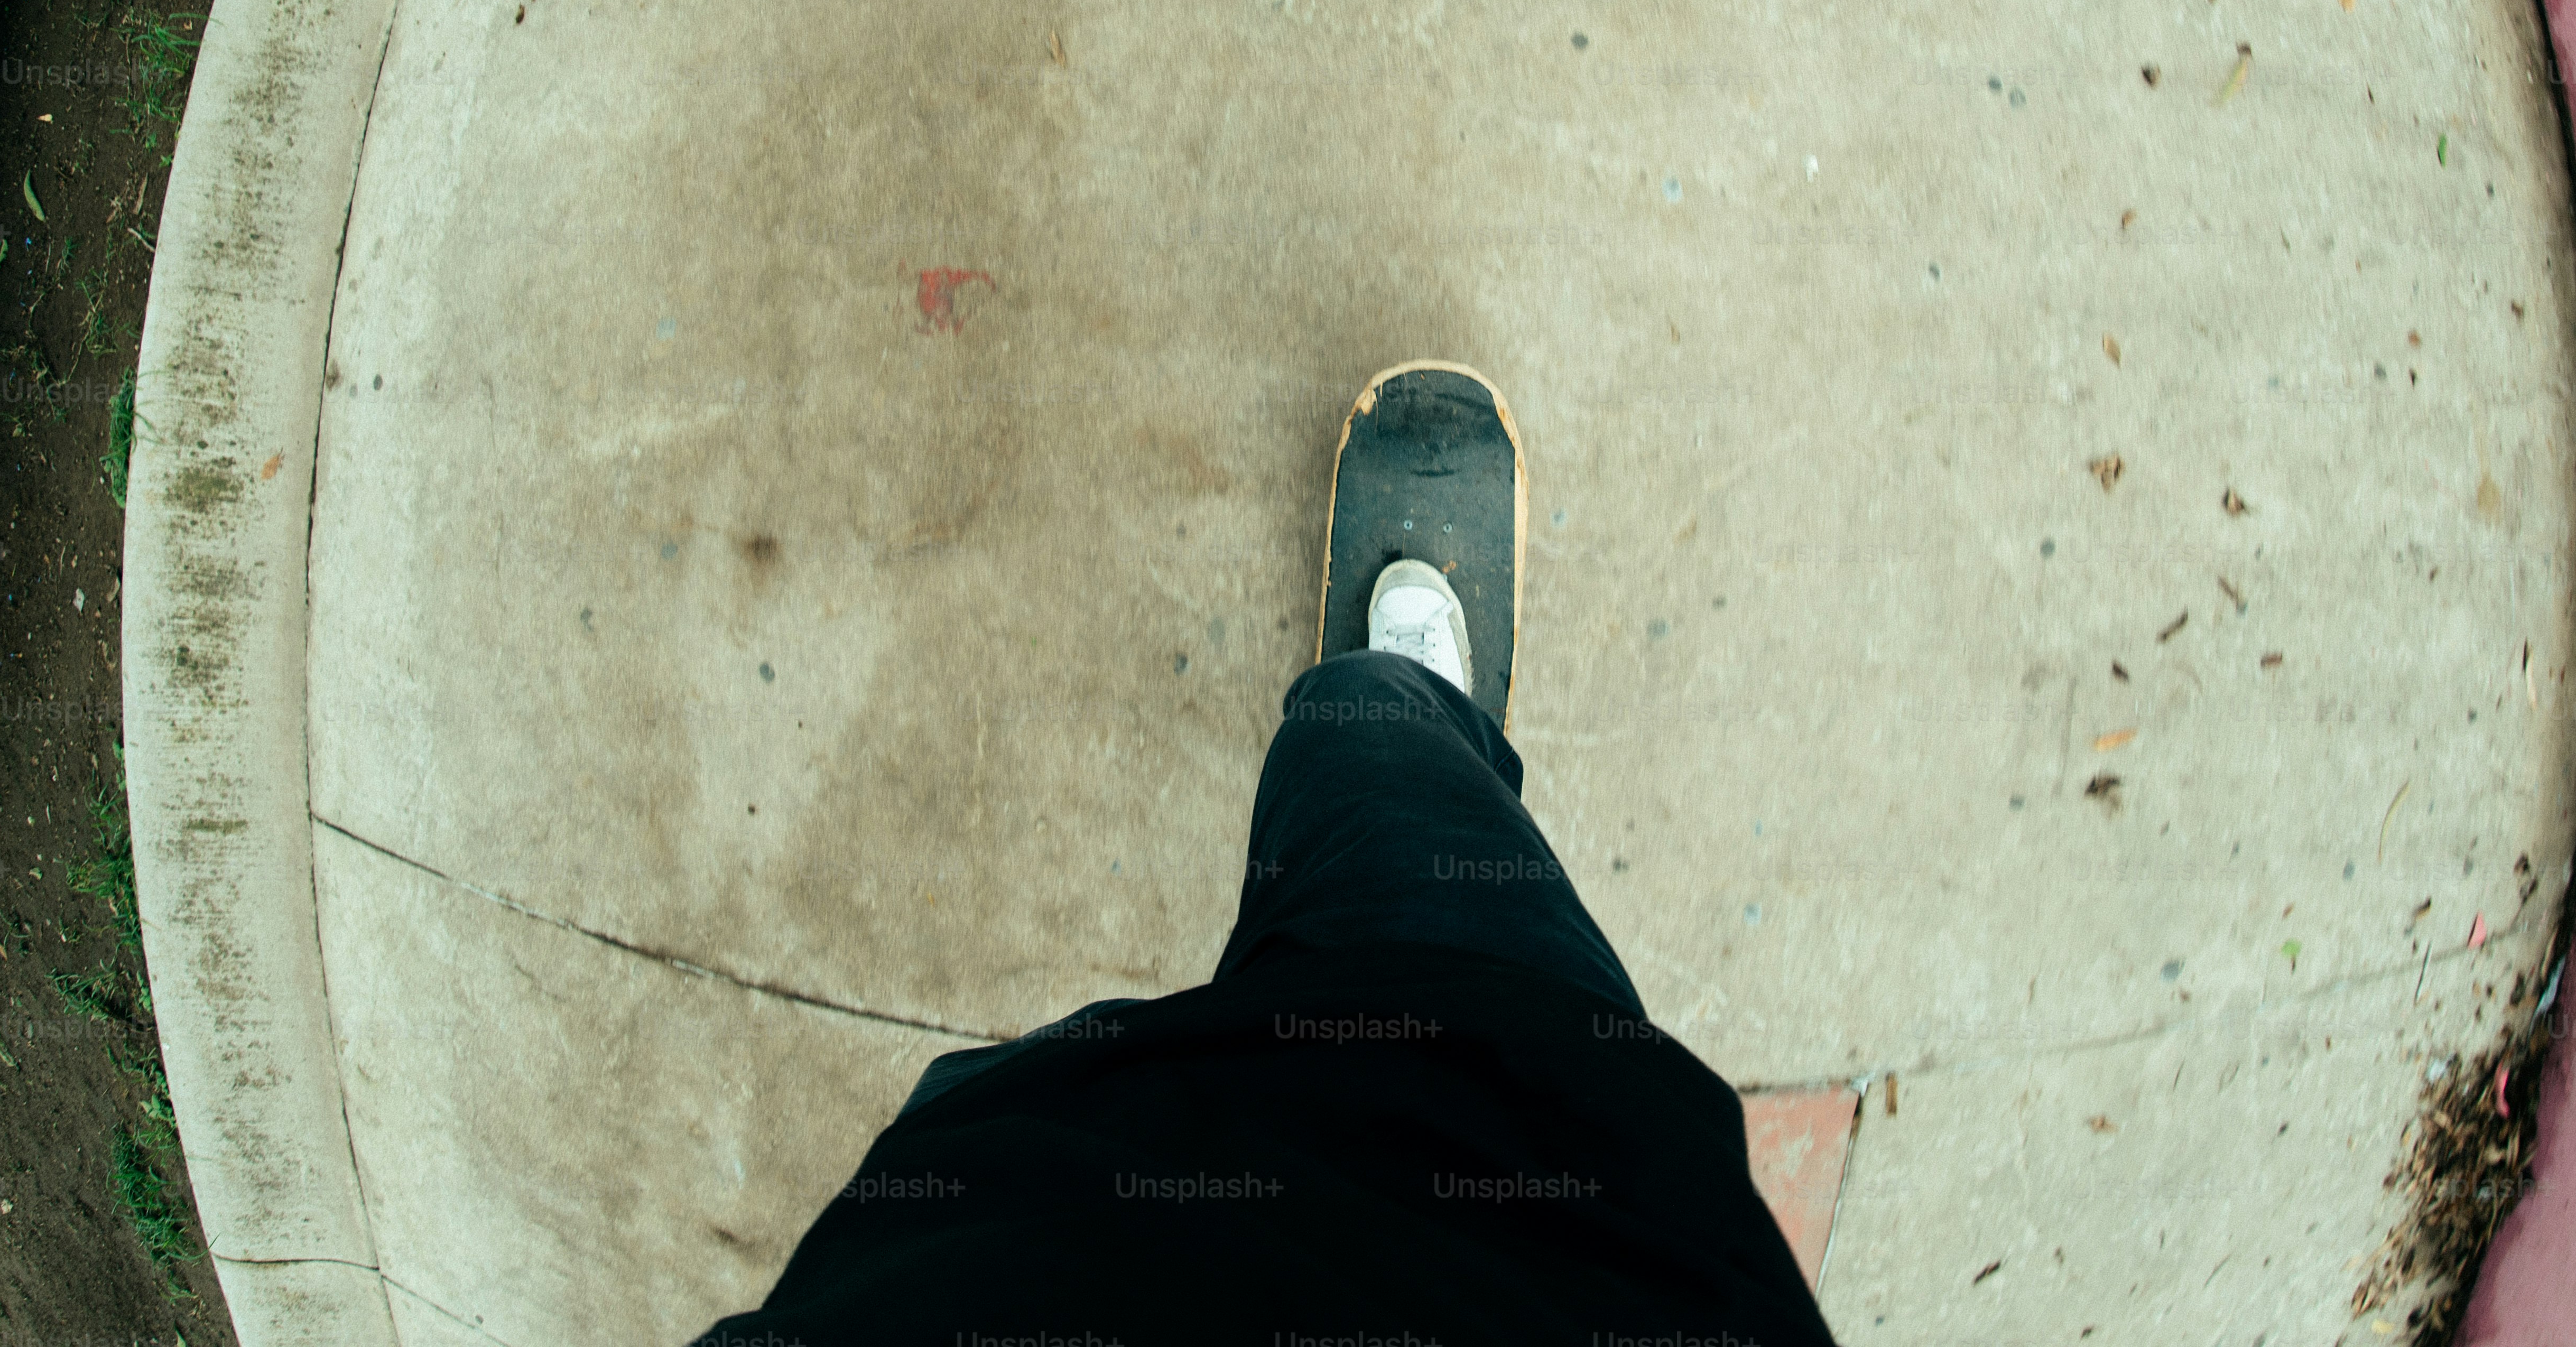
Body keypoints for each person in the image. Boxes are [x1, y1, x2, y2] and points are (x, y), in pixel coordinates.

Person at [688, 552, 1841, 1345]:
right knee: (1370, 743)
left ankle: (1409, 713)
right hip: (1507, 1104)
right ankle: (1423, 709)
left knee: (1358, 754)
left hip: (1052, 1180)